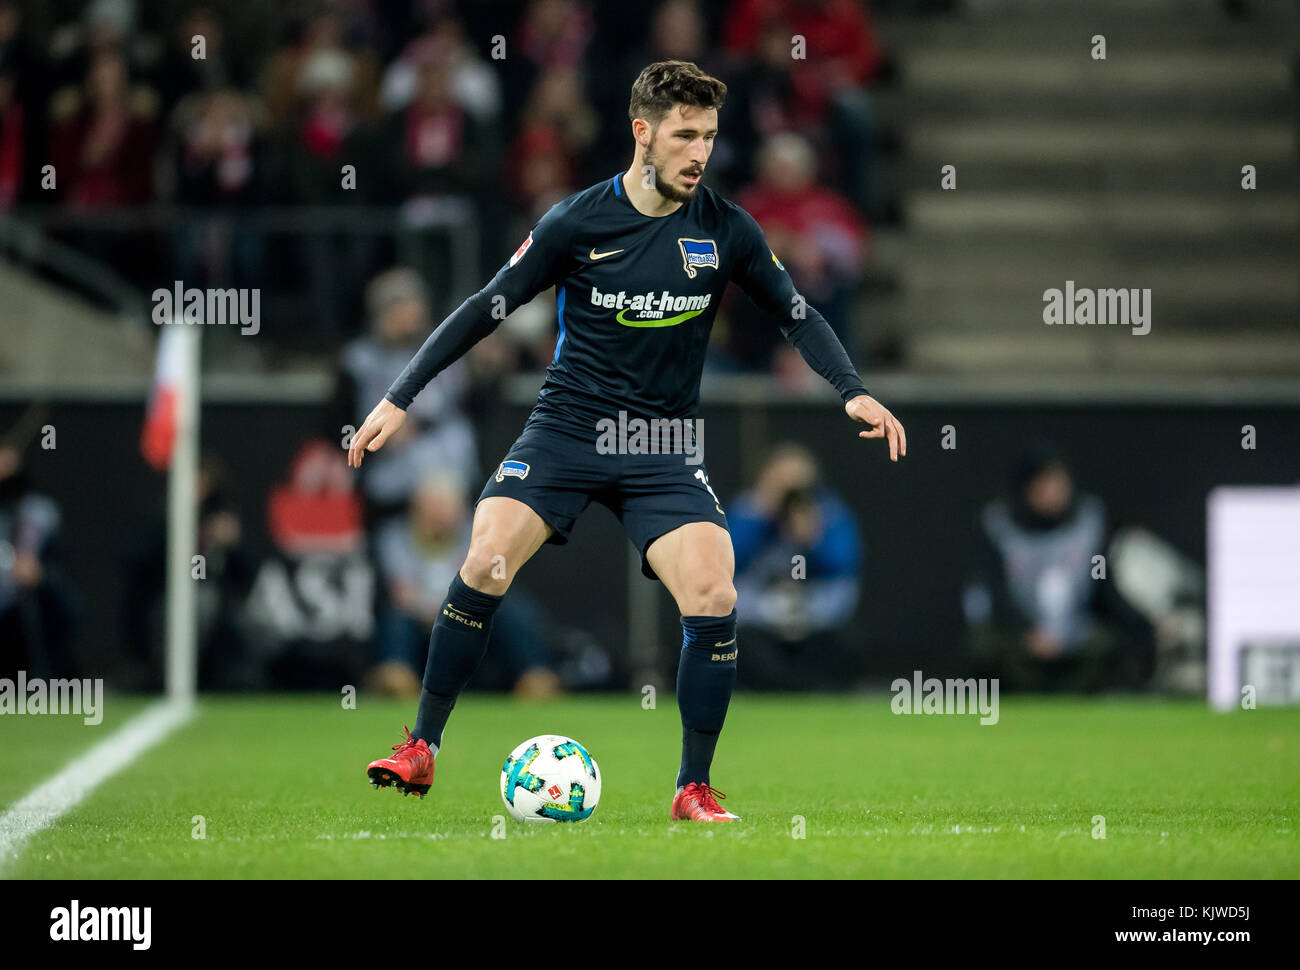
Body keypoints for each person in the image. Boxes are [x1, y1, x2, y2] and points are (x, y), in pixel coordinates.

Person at [349, 60, 906, 821]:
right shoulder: (575, 221)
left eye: (709, 136)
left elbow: (797, 314)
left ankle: (693, 788)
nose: (699, 152)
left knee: (714, 591)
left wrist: (854, 390)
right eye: (684, 135)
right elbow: (486, 307)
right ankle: (422, 749)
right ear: (642, 132)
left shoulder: (727, 229)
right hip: (567, 429)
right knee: (484, 560)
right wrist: (399, 397)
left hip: (663, 445)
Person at [963, 446, 1153, 693]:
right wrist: (1026, 633)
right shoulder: (999, 527)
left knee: (1109, 643)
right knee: (983, 647)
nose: (1053, 494)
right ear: (1026, 489)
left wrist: (1143, 624)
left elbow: (1103, 589)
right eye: (1043, 486)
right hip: (1019, 639)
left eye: (1058, 485)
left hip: (1076, 633)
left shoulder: (1090, 525)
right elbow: (994, 593)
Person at [729, 443, 862, 689]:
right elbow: (727, 562)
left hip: (813, 611)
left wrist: (814, 540)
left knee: (837, 629)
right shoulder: (749, 510)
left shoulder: (828, 513)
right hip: (760, 612)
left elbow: (843, 565)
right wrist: (761, 517)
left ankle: (813, 685)